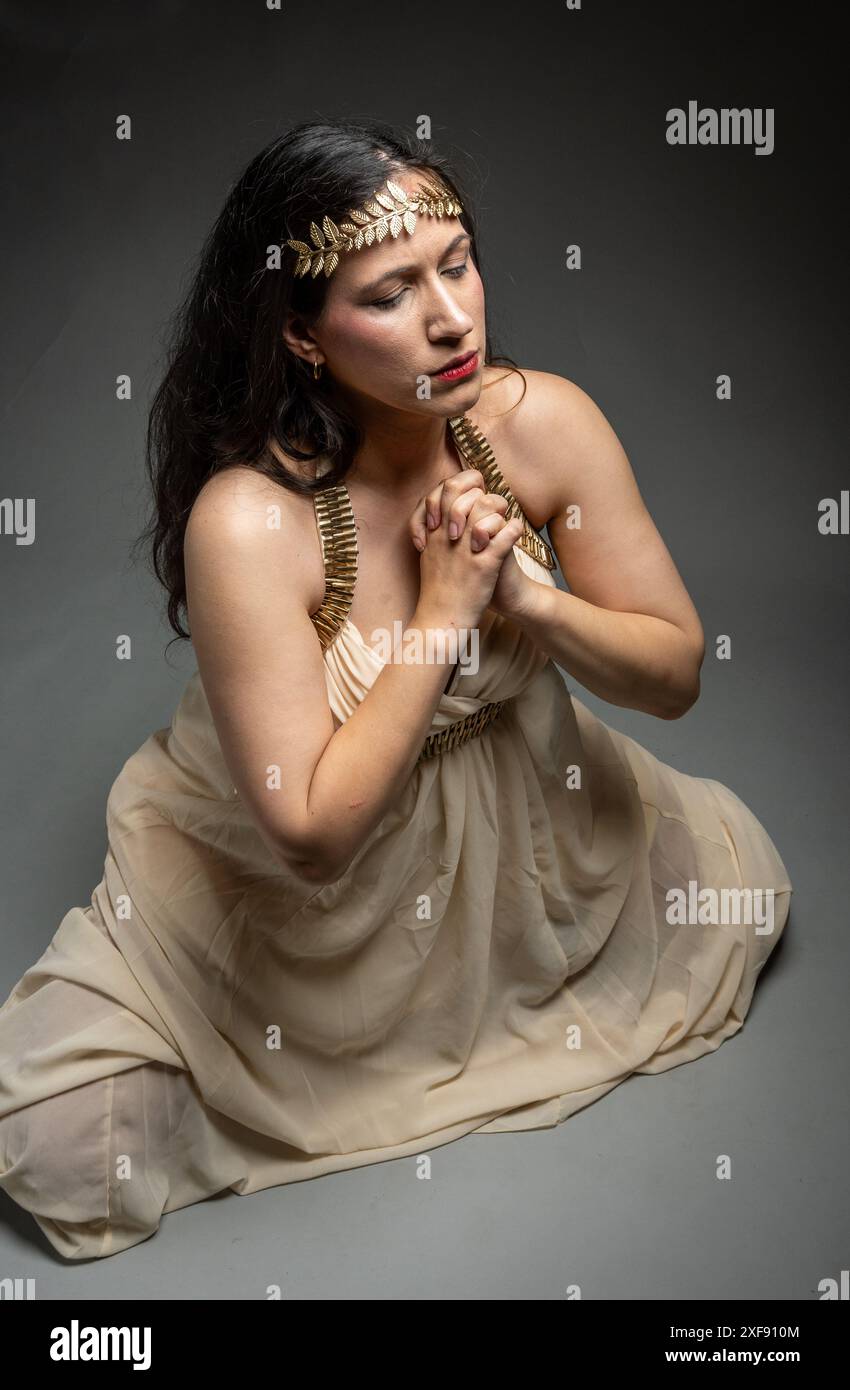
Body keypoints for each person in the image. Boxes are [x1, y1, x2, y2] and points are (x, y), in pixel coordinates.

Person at [0, 118, 792, 1261]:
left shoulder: (540, 422)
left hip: (538, 866)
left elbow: (674, 677)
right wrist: (439, 617)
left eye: (457, 264)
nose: (451, 317)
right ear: (304, 337)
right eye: (390, 293)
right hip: (302, 919)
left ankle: (492, 996)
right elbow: (313, 839)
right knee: (58, 1141)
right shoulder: (251, 521)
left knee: (738, 894)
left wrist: (530, 601)